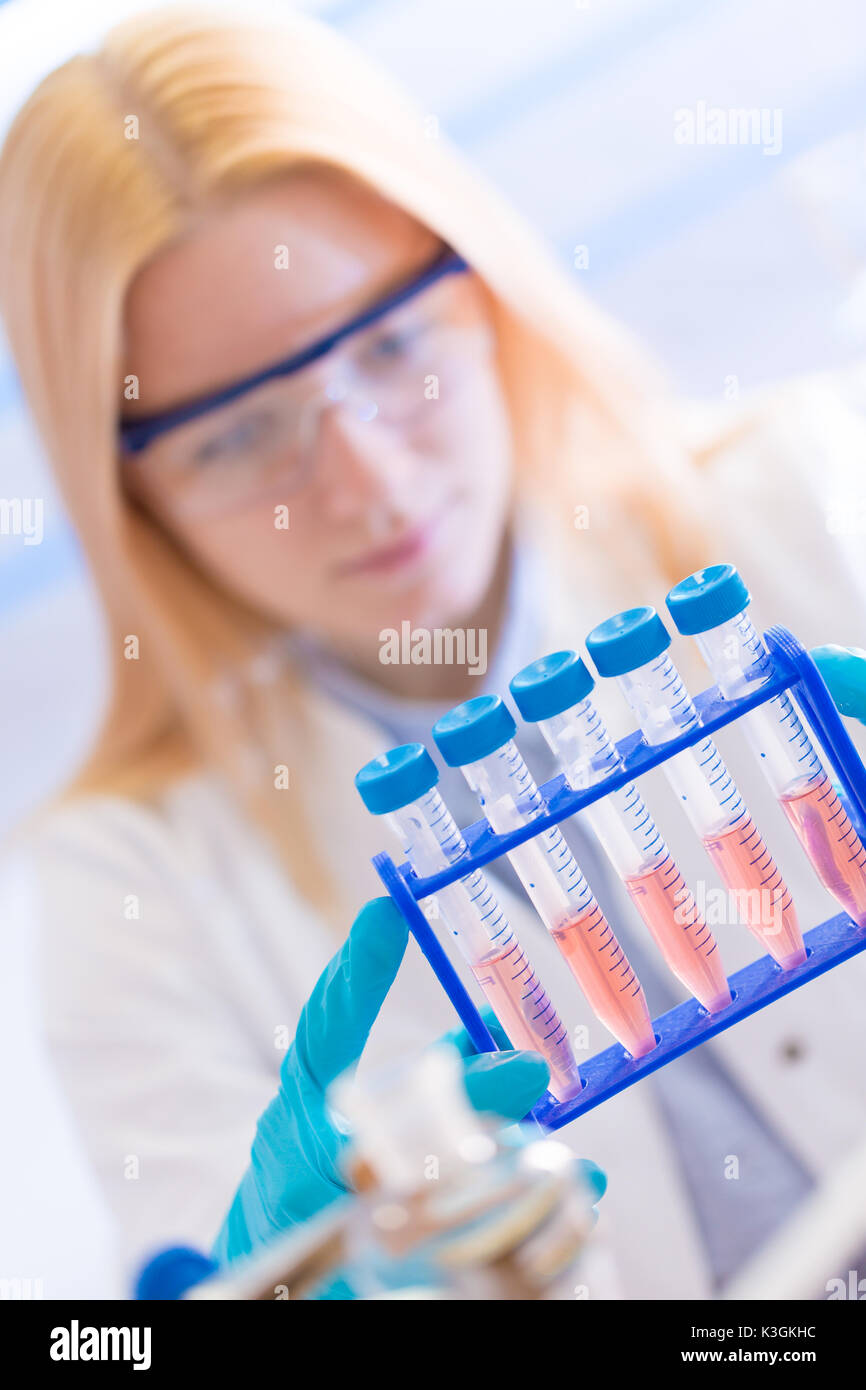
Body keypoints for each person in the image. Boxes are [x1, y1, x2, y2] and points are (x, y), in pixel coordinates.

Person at [1, 5, 865, 1298]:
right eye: (237, 435)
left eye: (390, 346)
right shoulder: (129, 880)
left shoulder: (815, 497)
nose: (365, 482)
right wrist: (287, 1288)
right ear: (131, 493)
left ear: (485, 287)